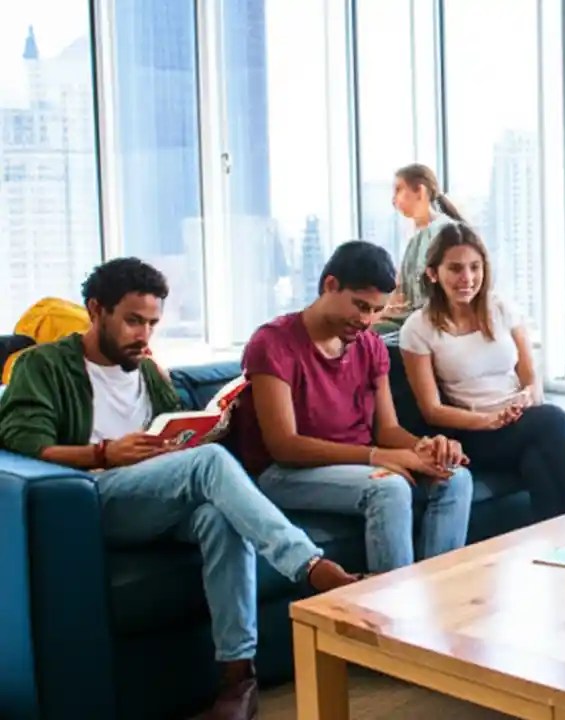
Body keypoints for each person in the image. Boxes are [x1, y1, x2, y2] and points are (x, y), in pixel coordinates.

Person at [0, 258, 359, 720]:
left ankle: (238, 678)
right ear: (96, 310)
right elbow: (24, 442)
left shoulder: (148, 370)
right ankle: (309, 565)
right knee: (208, 464)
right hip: (92, 499)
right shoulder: (43, 365)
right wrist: (103, 453)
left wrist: (203, 428)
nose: (143, 335)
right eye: (132, 321)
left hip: (150, 498)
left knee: (219, 517)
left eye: (151, 323)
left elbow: (172, 435)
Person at [236, 240, 474, 574]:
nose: (368, 320)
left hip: (356, 463)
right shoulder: (273, 343)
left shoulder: (370, 345)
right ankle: (389, 613)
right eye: (361, 306)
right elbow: (284, 446)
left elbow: (387, 430)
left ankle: (437, 594)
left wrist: (424, 447)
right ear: (330, 285)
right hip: (285, 474)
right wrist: (378, 457)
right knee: (388, 488)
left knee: (455, 477)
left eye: (377, 310)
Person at [399, 223, 565, 520]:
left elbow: (531, 377)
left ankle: (559, 550)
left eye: (474, 267)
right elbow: (432, 410)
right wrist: (488, 421)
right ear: (433, 273)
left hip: (521, 422)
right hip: (474, 433)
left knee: (537, 461)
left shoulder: (501, 308)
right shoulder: (418, 328)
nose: (467, 278)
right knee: (554, 418)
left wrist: (527, 397)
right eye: (455, 268)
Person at [376, 163, 466, 332]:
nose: (394, 200)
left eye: (399, 190)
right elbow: (403, 292)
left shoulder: (446, 232)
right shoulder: (416, 238)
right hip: (414, 320)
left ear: (420, 191)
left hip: (432, 324)